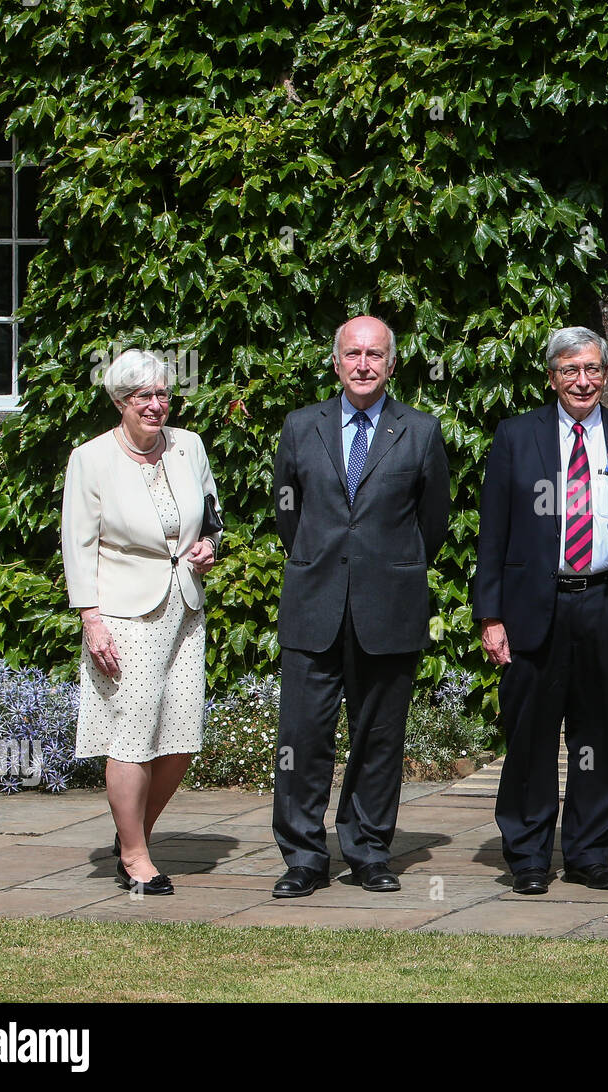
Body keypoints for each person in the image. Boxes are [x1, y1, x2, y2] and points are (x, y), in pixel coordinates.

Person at [474, 327, 608, 895]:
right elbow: (493, 533)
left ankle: (588, 853)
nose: (581, 381)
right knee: (530, 737)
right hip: (536, 607)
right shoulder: (516, 436)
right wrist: (491, 616)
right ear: (552, 377)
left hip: (606, 604)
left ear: (605, 375)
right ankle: (529, 857)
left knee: (600, 740)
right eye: (569, 370)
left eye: (591, 370)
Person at [270, 315, 450, 898]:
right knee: (303, 737)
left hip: (389, 608)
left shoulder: (419, 431)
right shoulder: (301, 427)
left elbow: (434, 522)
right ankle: (302, 857)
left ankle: (369, 851)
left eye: (375, 354)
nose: (364, 364)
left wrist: (386, 565)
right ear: (336, 361)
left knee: (378, 739)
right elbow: (287, 513)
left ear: (392, 363)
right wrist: (325, 557)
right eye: (353, 354)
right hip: (313, 602)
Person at [62, 349, 222, 896]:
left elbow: (212, 515)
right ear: (119, 402)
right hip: (122, 613)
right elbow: (77, 545)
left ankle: (135, 834)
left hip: (185, 607)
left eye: (162, 395)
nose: (156, 406)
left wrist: (208, 547)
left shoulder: (190, 446)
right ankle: (134, 855)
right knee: (131, 735)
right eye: (143, 397)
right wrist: (90, 618)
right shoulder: (91, 459)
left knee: (180, 733)